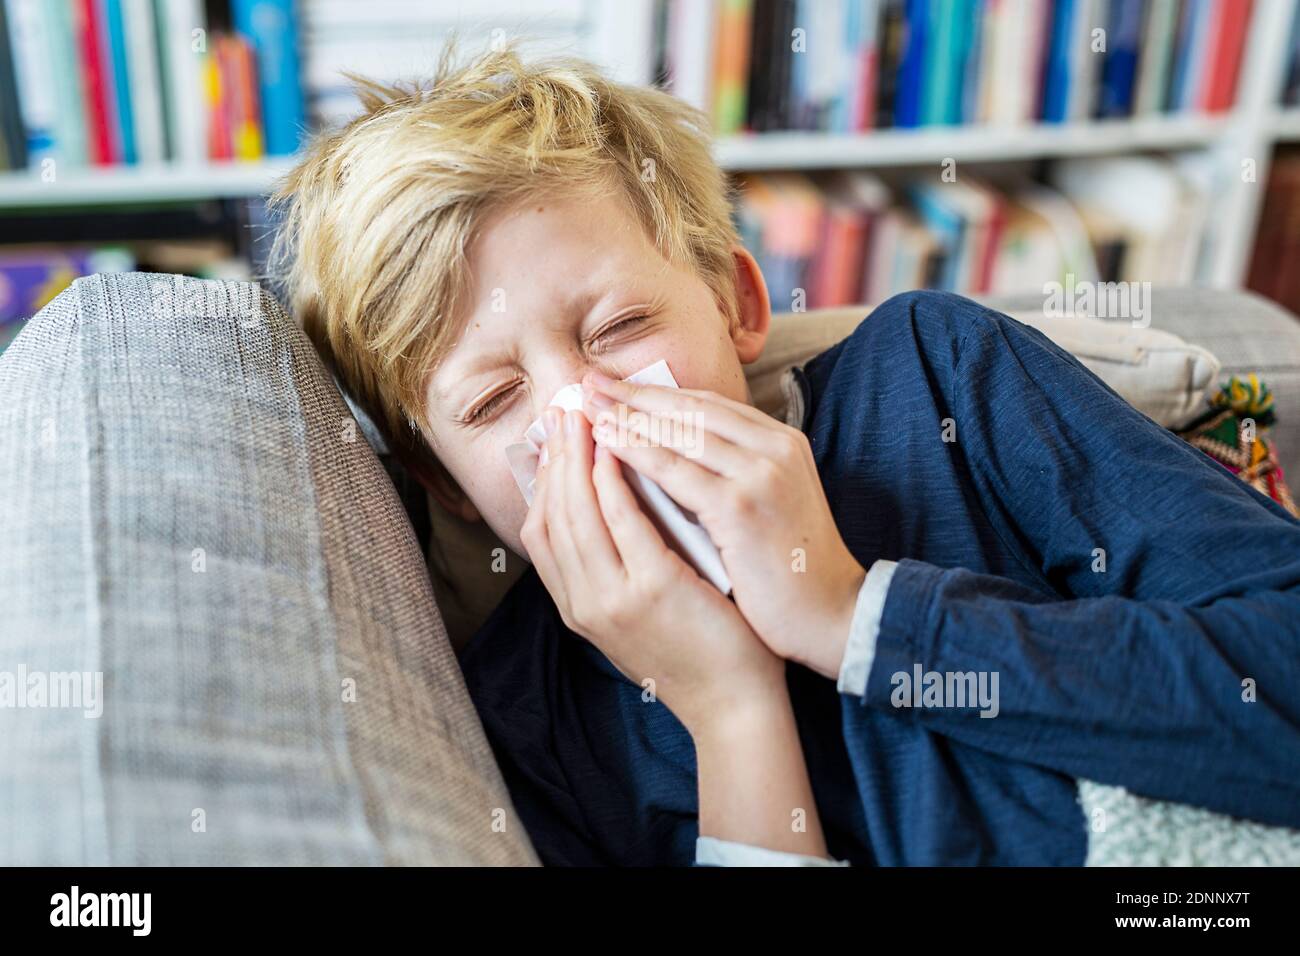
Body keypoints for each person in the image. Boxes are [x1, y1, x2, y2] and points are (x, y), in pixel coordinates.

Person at [267, 41, 1300, 865]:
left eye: (619, 324)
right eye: (495, 398)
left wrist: (850, 615)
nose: (582, 409)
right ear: (446, 485)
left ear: (736, 304)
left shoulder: (936, 378)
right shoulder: (531, 728)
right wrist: (728, 706)